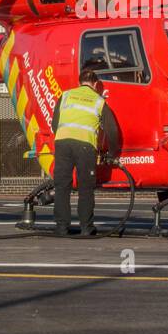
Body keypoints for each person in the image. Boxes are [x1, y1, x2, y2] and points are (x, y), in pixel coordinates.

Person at [51, 63, 122, 237]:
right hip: (85, 146)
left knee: (62, 186)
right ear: (96, 84)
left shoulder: (66, 95)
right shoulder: (99, 101)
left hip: (62, 143)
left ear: (80, 82)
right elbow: (112, 131)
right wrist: (112, 154)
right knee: (85, 188)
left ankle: (61, 228)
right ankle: (86, 228)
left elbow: (54, 124)